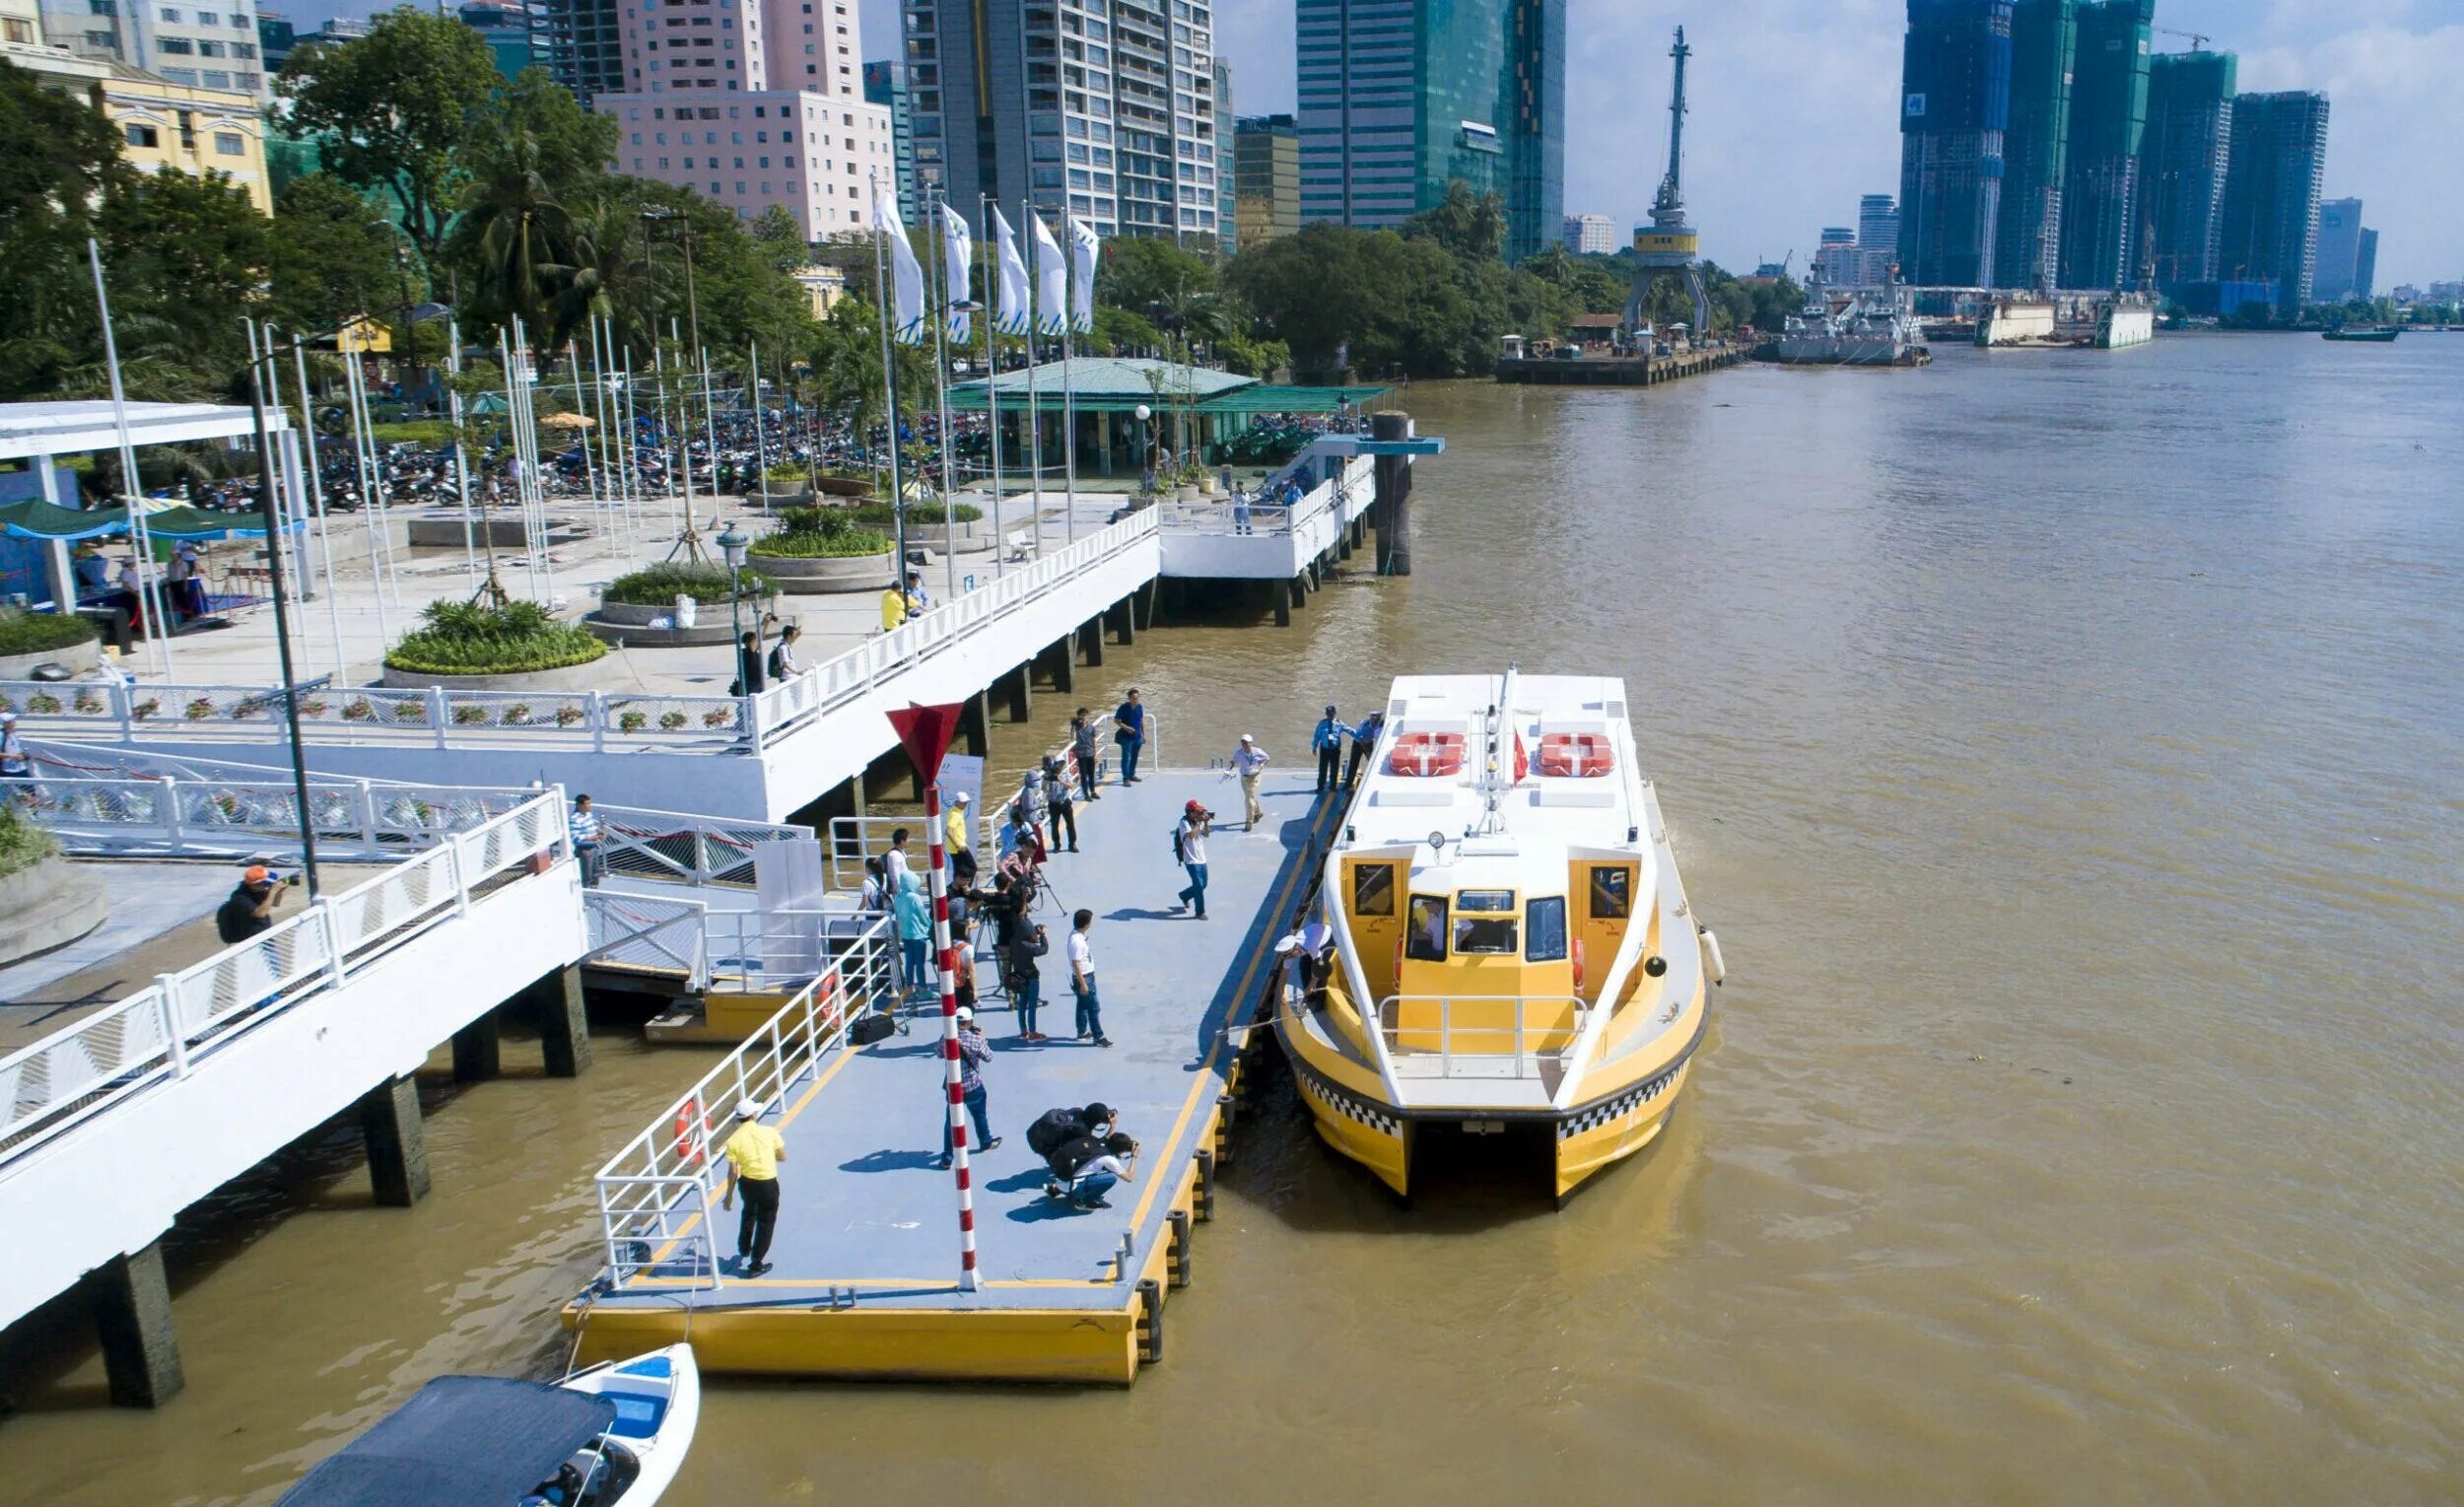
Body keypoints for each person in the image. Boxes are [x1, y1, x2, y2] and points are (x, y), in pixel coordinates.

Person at [718, 1099, 786, 1277]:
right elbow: (782, 1156)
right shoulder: (770, 1132)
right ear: (754, 1115)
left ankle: (744, 1246)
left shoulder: (733, 1140)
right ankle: (756, 1264)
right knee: (766, 1222)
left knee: (749, 1211)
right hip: (768, 1184)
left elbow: (733, 1171)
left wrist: (729, 1196)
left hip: (746, 1183)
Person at [933, 1005, 1000, 1167]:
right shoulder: (975, 1040)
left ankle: (947, 1157)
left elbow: (938, 1052)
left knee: (950, 1122)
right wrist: (982, 1038)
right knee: (979, 1114)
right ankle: (985, 1141)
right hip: (972, 1086)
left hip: (953, 1087)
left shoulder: (947, 1037)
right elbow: (988, 1056)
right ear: (970, 1022)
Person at [1045, 1131, 1138, 1209]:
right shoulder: (1108, 1159)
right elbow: (1129, 1177)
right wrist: (1134, 1156)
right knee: (1111, 1177)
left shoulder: (1095, 1142)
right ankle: (1082, 1202)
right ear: (1121, 1150)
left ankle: (1055, 1189)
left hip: (1062, 1177)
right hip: (1072, 1187)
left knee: (1090, 1170)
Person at [1067, 908, 1109, 1046]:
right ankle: (1098, 1036)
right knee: (1093, 1007)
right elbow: (1076, 963)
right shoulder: (1077, 942)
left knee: (1083, 1005)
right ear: (1086, 923)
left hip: (1086, 976)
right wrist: (1083, 983)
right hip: (1084, 978)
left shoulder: (1077, 936)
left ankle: (1082, 1032)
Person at [1006, 921, 1050, 1040]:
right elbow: (1043, 949)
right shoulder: (1027, 946)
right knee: (1032, 1006)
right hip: (1031, 978)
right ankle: (1033, 1032)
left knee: (1022, 1004)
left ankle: (1023, 1031)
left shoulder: (1013, 942)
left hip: (1019, 978)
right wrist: (1043, 936)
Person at [893, 869, 933, 997]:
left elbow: (898, 916)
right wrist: (931, 925)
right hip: (918, 934)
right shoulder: (914, 897)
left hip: (906, 934)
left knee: (909, 963)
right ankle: (922, 988)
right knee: (920, 964)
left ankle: (909, 988)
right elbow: (922, 915)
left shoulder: (898, 897)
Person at [1025, 1101, 1114, 1158]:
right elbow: (1098, 1145)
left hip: (1038, 1132)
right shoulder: (1082, 1130)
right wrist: (1112, 1127)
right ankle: (1055, 1164)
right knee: (1084, 1154)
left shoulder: (1078, 1111)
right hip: (1042, 1145)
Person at [1174, 799, 1211, 920]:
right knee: (1199, 886)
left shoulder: (1198, 821)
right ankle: (1200, 912)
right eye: (1197, 811)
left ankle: (1184, 895)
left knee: (1203, 884)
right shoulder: (1183, 822)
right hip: (1190, 859)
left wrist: (1205, 823)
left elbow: (1206, 834)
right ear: (1190, 812)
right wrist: (1198, 822)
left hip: (1202, 858)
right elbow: (1190, 836)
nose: (1199, 813)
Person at [1231, 733, 1269, 830]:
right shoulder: (1238, 753)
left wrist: (1262, 764)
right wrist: (1230, 766)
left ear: (1251, 743)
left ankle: (1249, 821)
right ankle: (1258, 813)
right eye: (1243, 742)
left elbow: (1267, 758)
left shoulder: (1258, 751)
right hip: (1244, 778)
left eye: (1246, 742)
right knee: (1250, 797)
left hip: (1255, 776)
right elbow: (1234, 761)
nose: (1244, 744)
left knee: (1248, 799)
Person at [1043, 755, 1077, 854]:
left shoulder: (1066, 773)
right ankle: (1056, 845)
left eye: (1061, 764)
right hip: (1053, 804)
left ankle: (1072, 844)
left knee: (1070, 824)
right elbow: (1044, 790)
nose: (1060, 767)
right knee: (1054, 826)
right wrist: (1046, 780)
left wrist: (1060, 780)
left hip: (1065, 802)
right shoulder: (1049, 775)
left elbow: (1071, 786)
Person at [569, 793, 605, 888]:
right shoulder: (574, 819)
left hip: (593, 847)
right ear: (580, 805)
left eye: (590, 803)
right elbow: (575, 837)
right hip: (584, 850)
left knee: (596, 873)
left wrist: (599, 831)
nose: (590, 806)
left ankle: (595, 894)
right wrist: (590, 838)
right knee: (587, 875)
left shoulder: (588, 814)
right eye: (587, 804)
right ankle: (587, 896)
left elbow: (591, 826)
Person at [1343, 710, 1385, 789]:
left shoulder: (1379, 724)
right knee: (1353, 764)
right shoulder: (1364, 724)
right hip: (1358, 743)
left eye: (1377, 719)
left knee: (1372, 764)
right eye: (1374, 719)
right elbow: (1362, 741)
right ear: (1371, 718)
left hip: (1368, 743)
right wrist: (1368, 753)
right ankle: (1347, 785)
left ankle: (1374, 782)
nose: (1375, 721)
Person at [1113, 689, 1146, 785]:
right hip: (1126, 737)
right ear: (1129, 698)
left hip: (1137, 737)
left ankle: (1132, 774)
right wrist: (1127, 728)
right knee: (1126, 758)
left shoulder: (1140, 707)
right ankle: (1125, 778)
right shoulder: (1124, 707)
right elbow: (1116, 720)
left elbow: (1141, 720)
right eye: (1134, 698)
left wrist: (1143, 734)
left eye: (1137, 698)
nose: (1136, 700)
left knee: (1134, 757)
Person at [1313, 704, 1346, 793]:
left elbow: (1349, 730)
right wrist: (1314, 747)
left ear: (1335, 713)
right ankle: (1320, 786)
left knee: (1334, 769)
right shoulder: (1322, 723)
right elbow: (1317, 735)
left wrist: (1359, 737)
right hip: (1325, 750)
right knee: (1322, 769)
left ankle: (1333, 787)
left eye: (1331, 714)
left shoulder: (1339, 723)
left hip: (1335, 750)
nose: (1330, 716)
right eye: (1328, 714)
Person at [1070, 710, 1102, 801]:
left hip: (1090, 754)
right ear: (1079, 717)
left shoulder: (1091, 727)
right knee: (1083, 775)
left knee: (1092, 775)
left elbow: (1094, 741)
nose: (1084, 717)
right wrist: (1073, 726)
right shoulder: (1076, 728)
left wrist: (1096, 755)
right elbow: (1072, 739)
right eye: (1082, 715)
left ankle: (1093, 792)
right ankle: (1086, 794)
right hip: (1081, 755)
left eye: (1085, 715)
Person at [943, 790, 972, 860]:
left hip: (956, 847)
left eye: (966, 802)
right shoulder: (955, 814)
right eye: (962, 802)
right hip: (958, 847)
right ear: (956, 802)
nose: (965, 804)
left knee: (963, 868)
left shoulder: (956, 811)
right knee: (971, 867)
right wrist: (957, 845)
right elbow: (948, 831)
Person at [0, 712, 29, 780]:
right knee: (29, 789)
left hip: (19, 767)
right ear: (6, 723)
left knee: (30, 789)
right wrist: (14, 756)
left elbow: (16, 749)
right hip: (7, 769)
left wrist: (23, 755)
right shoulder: (1, 735)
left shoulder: (14, 733)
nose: (14, 722)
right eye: (11, 720)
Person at [883, 827, 912, 891]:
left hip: (904, 886)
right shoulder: (894, 855)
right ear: (902, 841)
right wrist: (899, 891)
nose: (909, 840)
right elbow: (894, 875)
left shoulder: (900, 852)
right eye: (908, 838)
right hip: (899, 890)